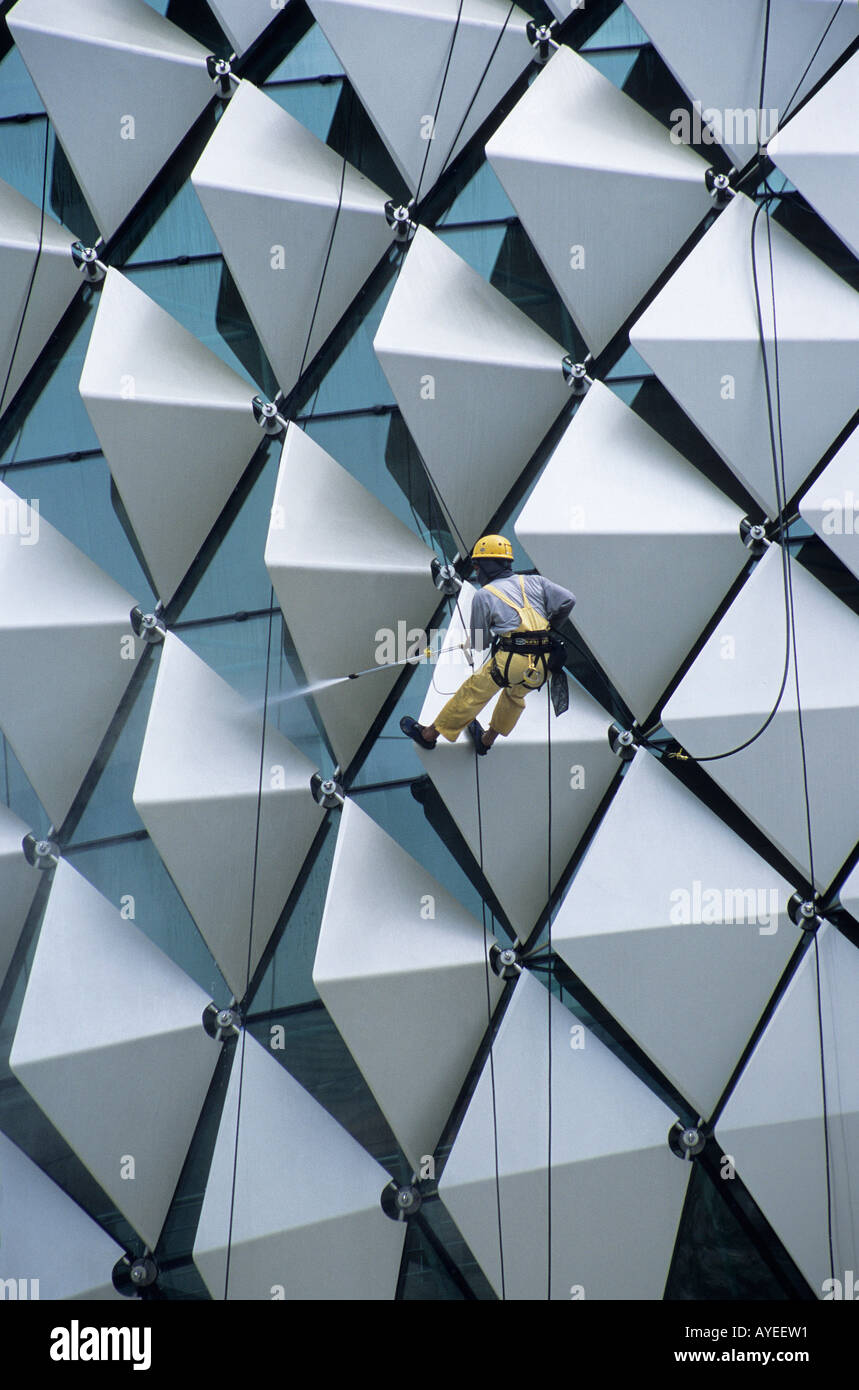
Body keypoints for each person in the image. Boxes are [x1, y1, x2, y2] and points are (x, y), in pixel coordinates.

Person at [401, 534, 576, 756]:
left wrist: (478, 640)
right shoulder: (534, 581)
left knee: (473, 692)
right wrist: (549, 626)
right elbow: (568, 599)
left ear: (487, 565)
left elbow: (480, 643)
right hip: (545, 663)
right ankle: (486, 740)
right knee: (515, 696)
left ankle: (429, 735)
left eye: (477, 565)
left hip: (512, 661)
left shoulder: (484, 595)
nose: (475, 571)